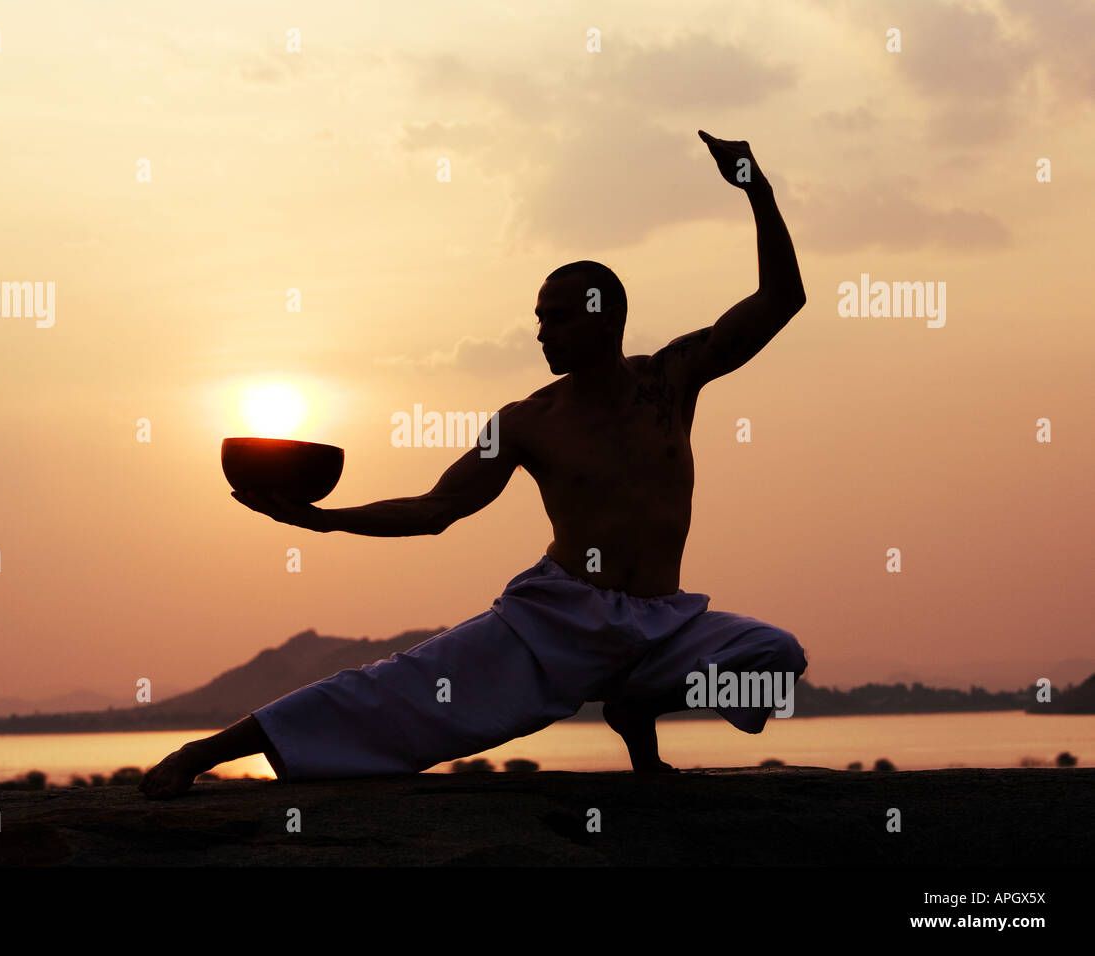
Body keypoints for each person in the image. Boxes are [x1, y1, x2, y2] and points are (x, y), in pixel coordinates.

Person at [140, 130, 808, 799]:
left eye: (558, 319)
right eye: (539, 319)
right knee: (390, 689)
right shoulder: (524, 423)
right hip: (557, 620)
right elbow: (438, 508)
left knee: (775, 658)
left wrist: (755, 185)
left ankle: (635, 704)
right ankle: (207, 749)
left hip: (665, 621)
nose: (541, 333)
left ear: (605, 318)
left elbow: (780, 301)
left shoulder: (670, 380)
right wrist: (325, 520)